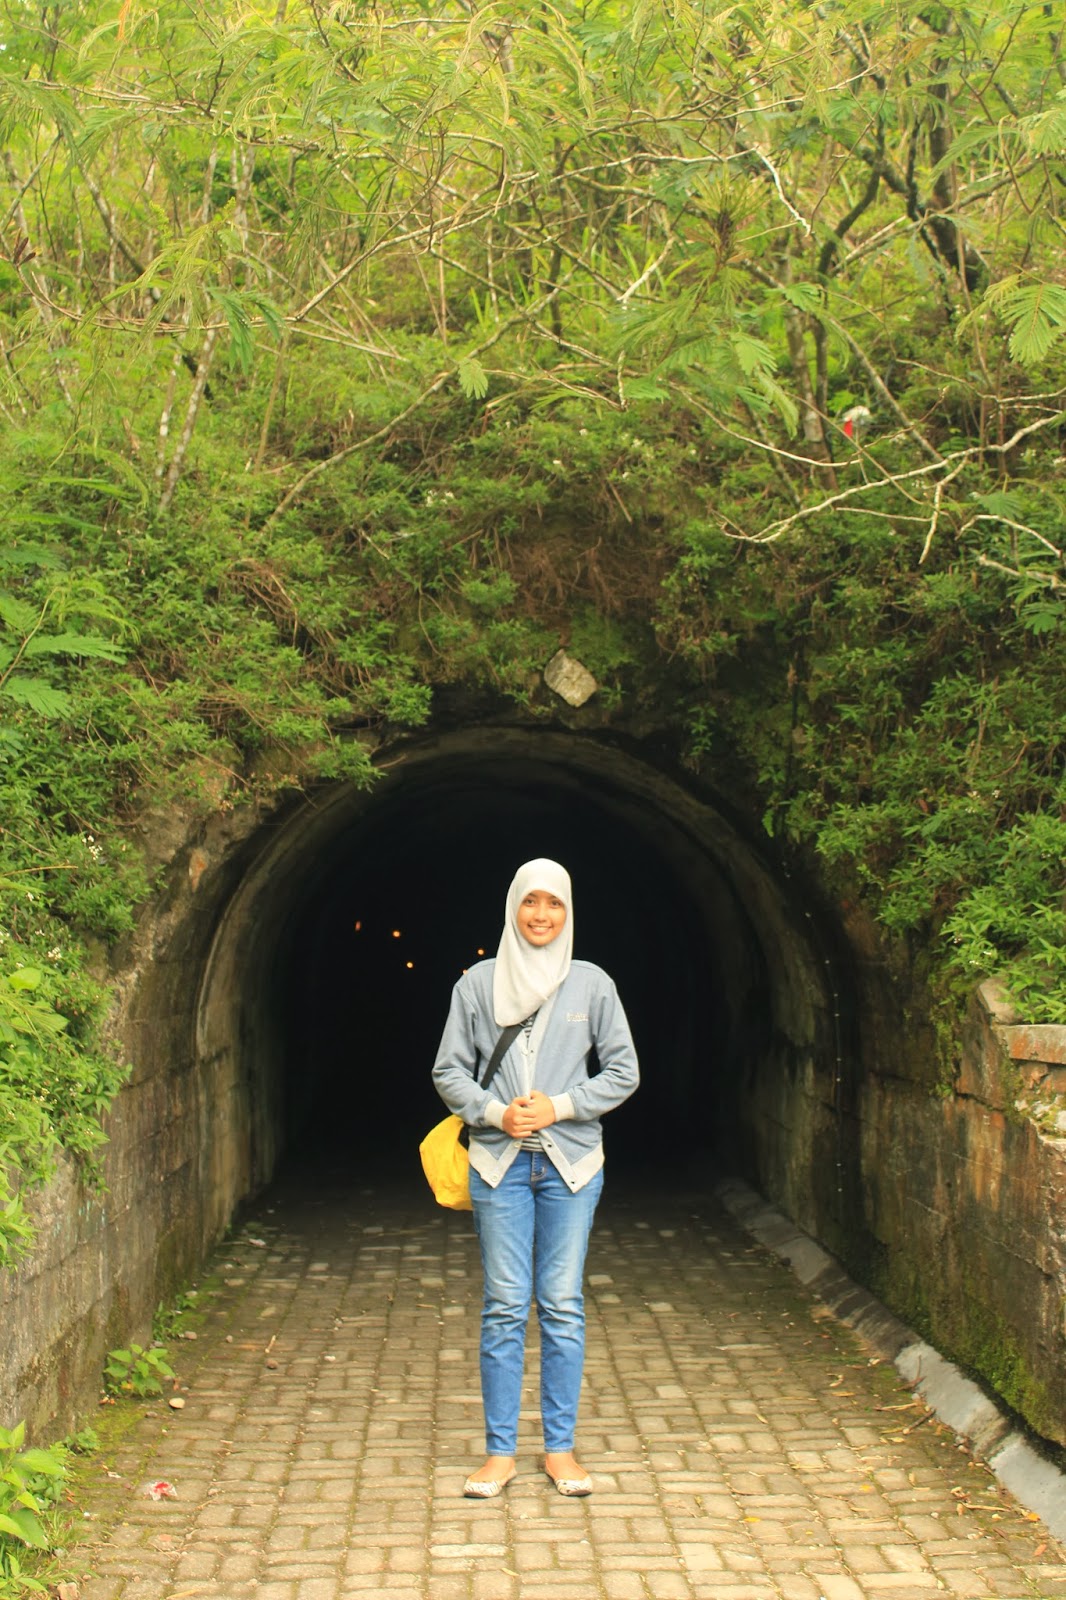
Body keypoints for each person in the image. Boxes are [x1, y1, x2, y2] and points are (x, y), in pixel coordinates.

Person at [431, 858, 639, 1499]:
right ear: (513, 907)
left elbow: (624, 1071)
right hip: (499, 1165)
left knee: (562, 1304)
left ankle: (559, 1450)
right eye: (530, 901)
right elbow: (448, 1071)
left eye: (554, 903)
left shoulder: (592, 984)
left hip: (571, 1166)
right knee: (504, 1304)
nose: (541, 914)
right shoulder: (478, 984)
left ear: (568, 912)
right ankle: (499, 1454)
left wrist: (562, 1106)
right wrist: (495, 1113)